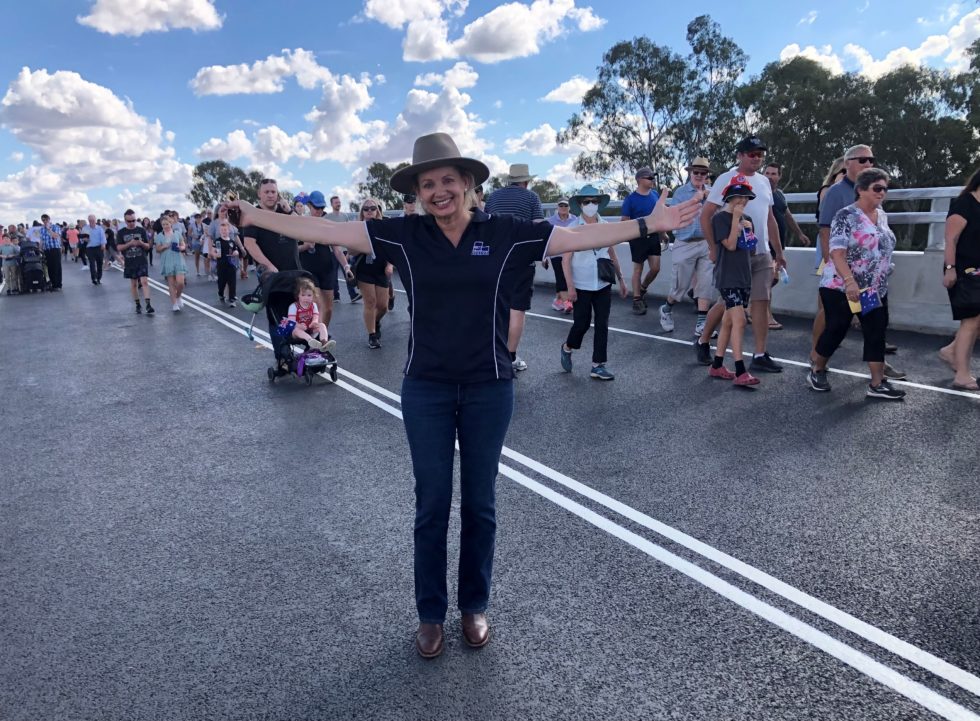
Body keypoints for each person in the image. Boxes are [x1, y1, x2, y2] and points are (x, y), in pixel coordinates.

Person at [224, 132, 699, 660]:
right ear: (419, 192)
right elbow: (321, 227)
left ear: (469, 184)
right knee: (431, 505)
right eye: (428, 184)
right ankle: (430, 613)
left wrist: (648, 224)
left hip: (488, 387)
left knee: (480, 503)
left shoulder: (506, 233)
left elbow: (574, 239)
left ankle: (474, 605)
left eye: (448, 180)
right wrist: (255, 216)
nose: (439, 191)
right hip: (425, 387)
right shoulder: (403, 235)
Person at [808, 168, 905, 400]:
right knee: (837, 328)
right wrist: (850, 281)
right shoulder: (846, 215)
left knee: (876, 330)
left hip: (872, 288)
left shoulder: (881, 215)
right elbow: (837, 253)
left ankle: (877, 383)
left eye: (885, 188)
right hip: (840, 286)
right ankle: (817, 369)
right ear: (861, 190)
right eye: (877, 188)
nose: (882, 193)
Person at [698, 136, 785, 374]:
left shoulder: (765, 182)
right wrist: (714, 248)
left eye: (760, 154)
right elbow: (706, 215)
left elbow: (770, 218)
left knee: (761, 301)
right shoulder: (726, 179)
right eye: (751, 154)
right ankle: (704, 340)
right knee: (726, 303)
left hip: (760, 251)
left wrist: (779, 251)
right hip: (734, 255)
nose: (756, 158)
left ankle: (759, 354)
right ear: (740, 155)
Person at [558, 185, 628, 380]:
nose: (591, 205)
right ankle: (567, 347)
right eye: (586, 202)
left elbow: (611, 252)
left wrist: (621, 279)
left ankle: (598, 365)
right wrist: (570, 286)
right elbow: (565, 259)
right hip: (580, 285)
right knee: (581, 323)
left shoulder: (606, 225)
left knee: (602, 323)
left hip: (603, 282)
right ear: (580, 204)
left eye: (594, 201)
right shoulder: (572, 229)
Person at [483, 162, 544, 371]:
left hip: (495, 261)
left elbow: (486, 226)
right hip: (522, 261)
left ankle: (492, 352)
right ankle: (510, 357)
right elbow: (539, 228)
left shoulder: (493, 197)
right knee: (517, 310)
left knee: (496, 308)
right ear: (526, 182)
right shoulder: (531, 197)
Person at [708, 177, 761, 387]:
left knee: (729, 322)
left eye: (746, 197)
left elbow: (751, 249)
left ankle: (717, 365)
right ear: (731, 197)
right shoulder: (720, 218)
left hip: (743, 276)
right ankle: (740, 370)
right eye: (740, 196)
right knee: (739, 321)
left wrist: (748, 230)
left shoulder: (746, 218)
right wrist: (736, 224)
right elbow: (729, 245)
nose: (743, 201)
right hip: (727, 276)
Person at [660, 157, 715, 337]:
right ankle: (667, 309)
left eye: (703, 172)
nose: (699, 175)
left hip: (706, 243)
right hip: (685, 243)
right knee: (680, 287)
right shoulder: (681, 193)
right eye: (696, 172)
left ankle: (701, 323)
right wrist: (697, 199)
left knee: (706, 284)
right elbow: (674, 216)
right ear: (690, 173)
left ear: (707, 175)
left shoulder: (713, 193)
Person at [939, 167, 980, 390]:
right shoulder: (964, 203)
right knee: (971, 320)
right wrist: (950, 268)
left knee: (977, 321)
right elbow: (951, 239)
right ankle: (962, 374)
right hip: (964, 270)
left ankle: (952, 350)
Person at [764, 162, 810, 329]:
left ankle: (750, 306)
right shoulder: (760, 193)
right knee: (769, 279)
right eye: (767, 173)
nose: (770, 176)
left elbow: (787, 215)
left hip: (778, 245)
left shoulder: (780, 195)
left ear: (779, 176)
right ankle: (766, 316)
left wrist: (799, 233)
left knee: (770, 281)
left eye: (773, 173)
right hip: (765, 245)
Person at [302, 191, 353, 329]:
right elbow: (294, 249)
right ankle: (316, 337)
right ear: (309, 206)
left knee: (329, 309)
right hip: (309, 270)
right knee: (318, 305)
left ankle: (322, 335)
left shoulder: (326, 225)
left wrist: (346, 266)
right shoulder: (301, 223)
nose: (319, 211)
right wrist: (306, 246)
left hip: (326, 269)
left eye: (321, 208)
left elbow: (336, 249)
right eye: (316, 208)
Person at [622, 167, 663, 315]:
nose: (652, 180)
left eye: (653, 178)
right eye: (649, 178)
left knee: (655, 268)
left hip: (653, 236)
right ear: (639, 180)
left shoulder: (655, 195)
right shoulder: (630, 199)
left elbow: (660, 216)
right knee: (638, 269)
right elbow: (624, 220)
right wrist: (630, 235)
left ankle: (643, 288)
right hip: (637, 237)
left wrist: (663, 234)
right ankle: (637, 299)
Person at [354, 198, 393, 349]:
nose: (369, 211)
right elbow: (351, 251)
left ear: (378, 211)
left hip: (380, 269)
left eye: (373, 208)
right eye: (366, 208)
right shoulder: (358, 228)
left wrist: (389, 265)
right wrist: (365, 246)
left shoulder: (383, 227)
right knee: (370, 302)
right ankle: (372, 335)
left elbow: (391, 249)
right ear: (362, 212)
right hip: (365, 269)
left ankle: (375, 322)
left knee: (383, 306)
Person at [325, 194, 361, 303]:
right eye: (336, 203)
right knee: (333, 275)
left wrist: (349, 249)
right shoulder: (327, 217)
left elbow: (348, 232)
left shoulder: (345, 216)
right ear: (332, 204)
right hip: (333, 251)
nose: (338, 204)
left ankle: (353, 295)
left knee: (348, 272)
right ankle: (336, 296)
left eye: (339, 202)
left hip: (344, 249)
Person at [117, 210, 154, 314]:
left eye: (134, 220)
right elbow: (119, 247)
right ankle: (138, 304)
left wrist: (140, 242)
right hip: (130, 261)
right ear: (125, 221)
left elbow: (148, 246)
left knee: (144, 282)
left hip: (141, 259)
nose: (132, 223)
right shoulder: (121, 232)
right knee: (134, 284)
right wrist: (130, 243)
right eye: (129, 221)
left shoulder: (141, 230)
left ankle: (148, 304)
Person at [546, 197, 577, 313]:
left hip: (571, 254)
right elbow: (546, 240)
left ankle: (558, 301)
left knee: (568, 278)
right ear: (557, 207)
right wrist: (544, 257)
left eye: (565, 205)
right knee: (560, 277)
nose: (563, 208)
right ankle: (567, 303)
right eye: (561, 206)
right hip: (556, 254)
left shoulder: (575, 220)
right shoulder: (550, 221)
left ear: (569, 207)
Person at [287, 277, 335, 352]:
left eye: (309, 295)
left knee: (322, 325)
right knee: (296, 330)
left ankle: (324, 342)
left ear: (313, 295)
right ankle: (311, 340)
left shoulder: (313, 305)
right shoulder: (294, 307)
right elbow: (291, 321)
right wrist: (299, 325)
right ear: (298, 295)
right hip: (297, 331)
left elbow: (315, 316)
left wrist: (314, 322)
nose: (306, 298)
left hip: (310, 328)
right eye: (303, 295)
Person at [211, 218, 245, 307]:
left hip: (231, 265)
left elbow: (236, 251)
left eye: (225, 230)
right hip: (221, 265)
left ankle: (232, 299)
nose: (224, 232)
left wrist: (235, 253)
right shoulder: (217, 241)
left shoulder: (232, 242)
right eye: (222, 230)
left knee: (232, 282)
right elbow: (213, 251)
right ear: (219, 231)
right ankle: (221, 293)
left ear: (229, 230)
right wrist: (214, 254)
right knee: (221, 282)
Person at [155, 216, 187, 312]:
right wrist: (164, 246)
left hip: (178, 258)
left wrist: (181, 248)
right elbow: (157, 249)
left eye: (167, 224)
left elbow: (183, 244)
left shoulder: (177, 233)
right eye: (163, 224)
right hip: (167, 259)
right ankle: (174, 304)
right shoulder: (159, 236)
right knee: (171, 283)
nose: (165, 226)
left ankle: (178, 296)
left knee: (180, 282)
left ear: (171, 224)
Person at [81, 214, 106, 285]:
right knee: (92, 263)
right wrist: (84, 239)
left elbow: (103, 238)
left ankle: (99, 278)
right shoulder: (85, 228)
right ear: (88, 221)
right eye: (90, 220)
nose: (91, 221)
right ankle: (94, 278)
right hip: (89, 248)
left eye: (93, 220)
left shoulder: (100, 228)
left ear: (95, 220)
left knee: (99, 263)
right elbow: (82, 238)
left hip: (99, 247)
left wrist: (103, 244)